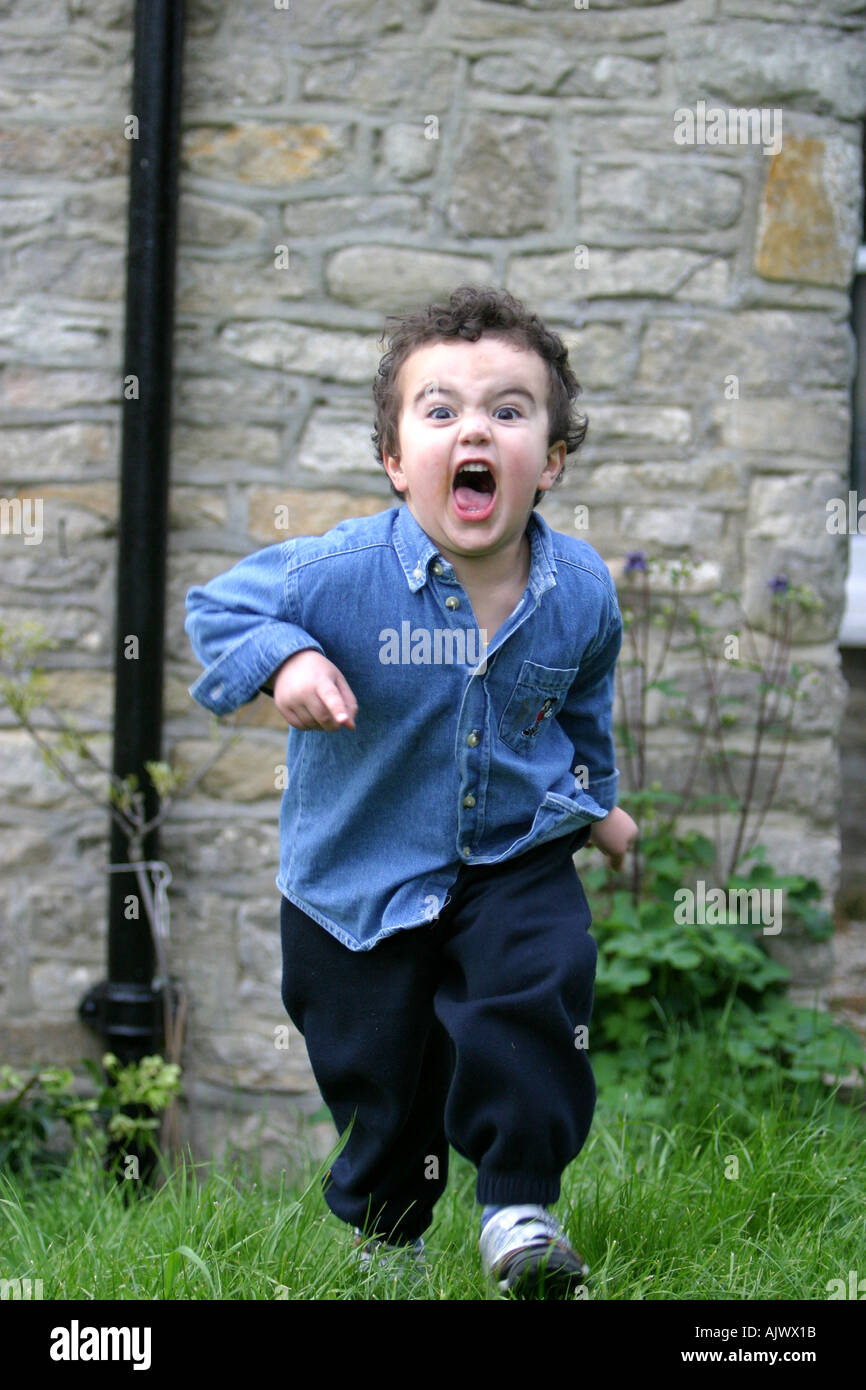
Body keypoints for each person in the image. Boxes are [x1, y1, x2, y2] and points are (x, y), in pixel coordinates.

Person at [184, 284, 638, 1297]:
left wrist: (597, 803)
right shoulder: (333, 572)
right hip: (357, 873)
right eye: (438, 410)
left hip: (513, 854)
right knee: (382, 1074)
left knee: (535, 982)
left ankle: (518, 1206)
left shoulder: (581, 591)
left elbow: (579, 706)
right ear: (396, 461)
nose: (472, 425)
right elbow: (216, 610)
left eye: (507, 410)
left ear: (549, 462)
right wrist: (286, 660)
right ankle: (386, 1236)